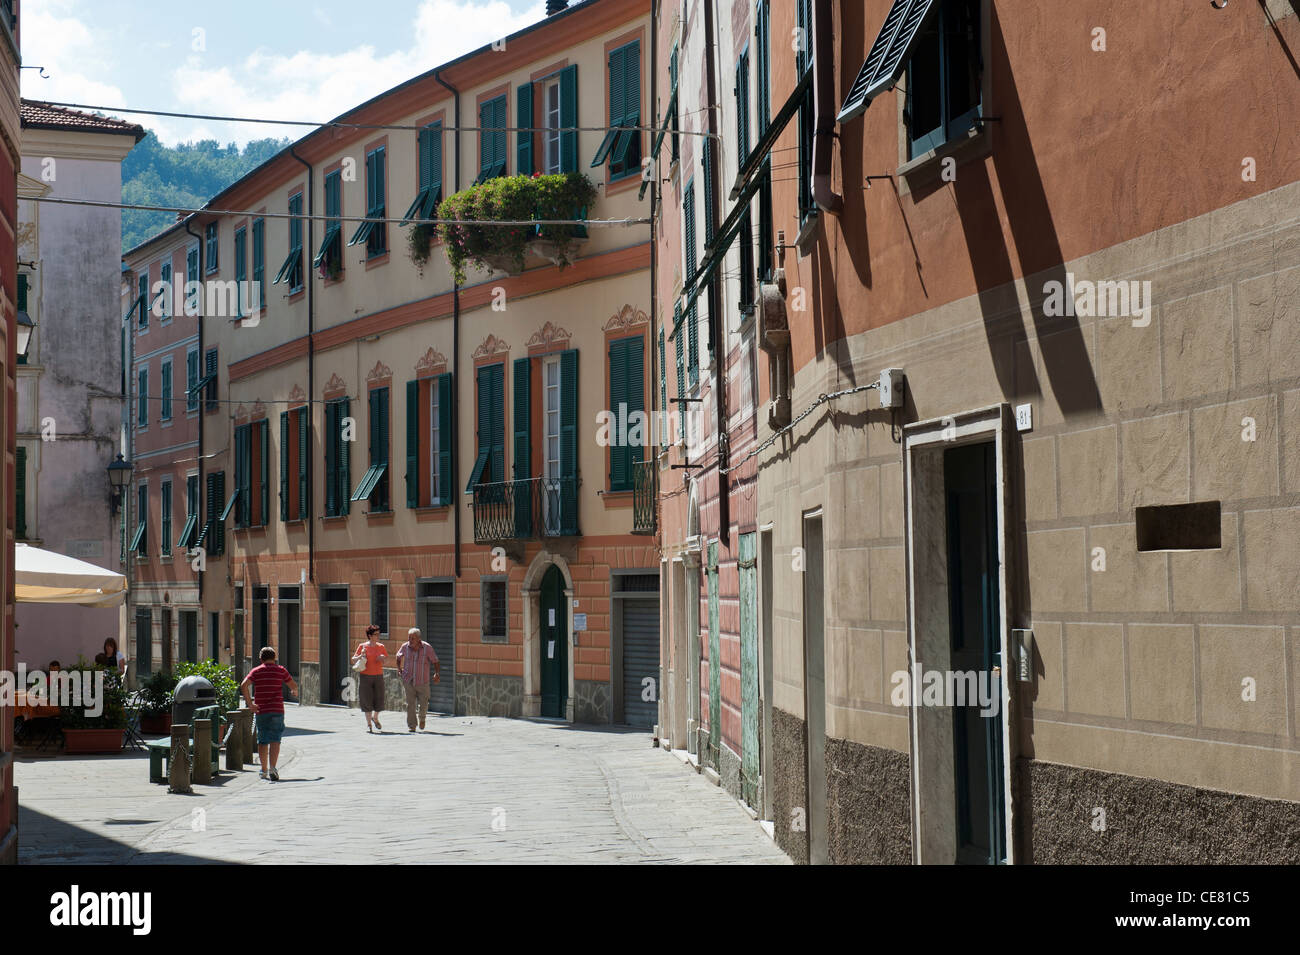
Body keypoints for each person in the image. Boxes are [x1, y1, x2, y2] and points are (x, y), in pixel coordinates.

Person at [240, 646, 298, 781]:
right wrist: (294, 692)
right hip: (277, 710)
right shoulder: (281, 670)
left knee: (262, 739)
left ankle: (263, 769)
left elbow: (244, 685)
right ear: (274, 658)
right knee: (275, 739)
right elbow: (293, 686)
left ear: (261, 658)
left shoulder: (256, 671)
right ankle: (273, 767)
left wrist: (250, 704)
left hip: (261, 710)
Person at [396, 627, 440, 733]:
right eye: (409, 638)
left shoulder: (427, 647)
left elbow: (435, 660)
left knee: (424, 703)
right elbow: (398, 656)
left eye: (413, 638)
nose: (410, 640)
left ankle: (422, 718)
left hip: (422, 681)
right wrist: (399, 669)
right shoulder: (405, 647)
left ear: (419, 639)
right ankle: (412, 726)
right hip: (408, 680)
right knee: (410, 704)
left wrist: (437, 673)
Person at [352, 624, 388, 732]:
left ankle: (375, 717)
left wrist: (382, 658)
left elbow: (386, 660)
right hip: (365, 676)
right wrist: (360, 656)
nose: (378, 636)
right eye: (376, 634)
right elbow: (353, 659)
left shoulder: (381, 646)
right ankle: (369, 724)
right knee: (366, 700)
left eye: (378, 634)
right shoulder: (362, 646)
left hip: (378, 675)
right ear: (370, 635)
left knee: (379, 698)